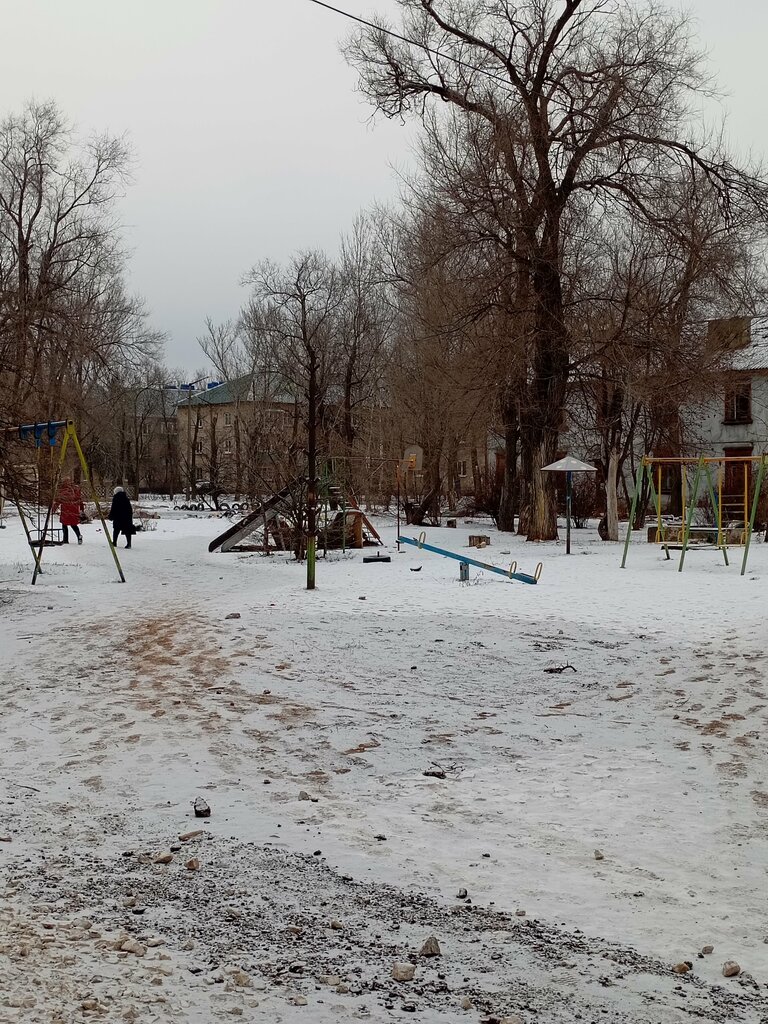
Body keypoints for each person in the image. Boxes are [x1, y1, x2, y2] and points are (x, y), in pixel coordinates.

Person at [55, 478, 84, 544]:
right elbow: (80, 500)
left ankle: (65, 540)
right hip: (74, 510)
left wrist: (54, 508)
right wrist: (82, 509)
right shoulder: (76, 490)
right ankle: (79, 536)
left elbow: (58, 500)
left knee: (64, 525)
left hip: (66, 510)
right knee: (74, 525)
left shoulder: (63, 491)